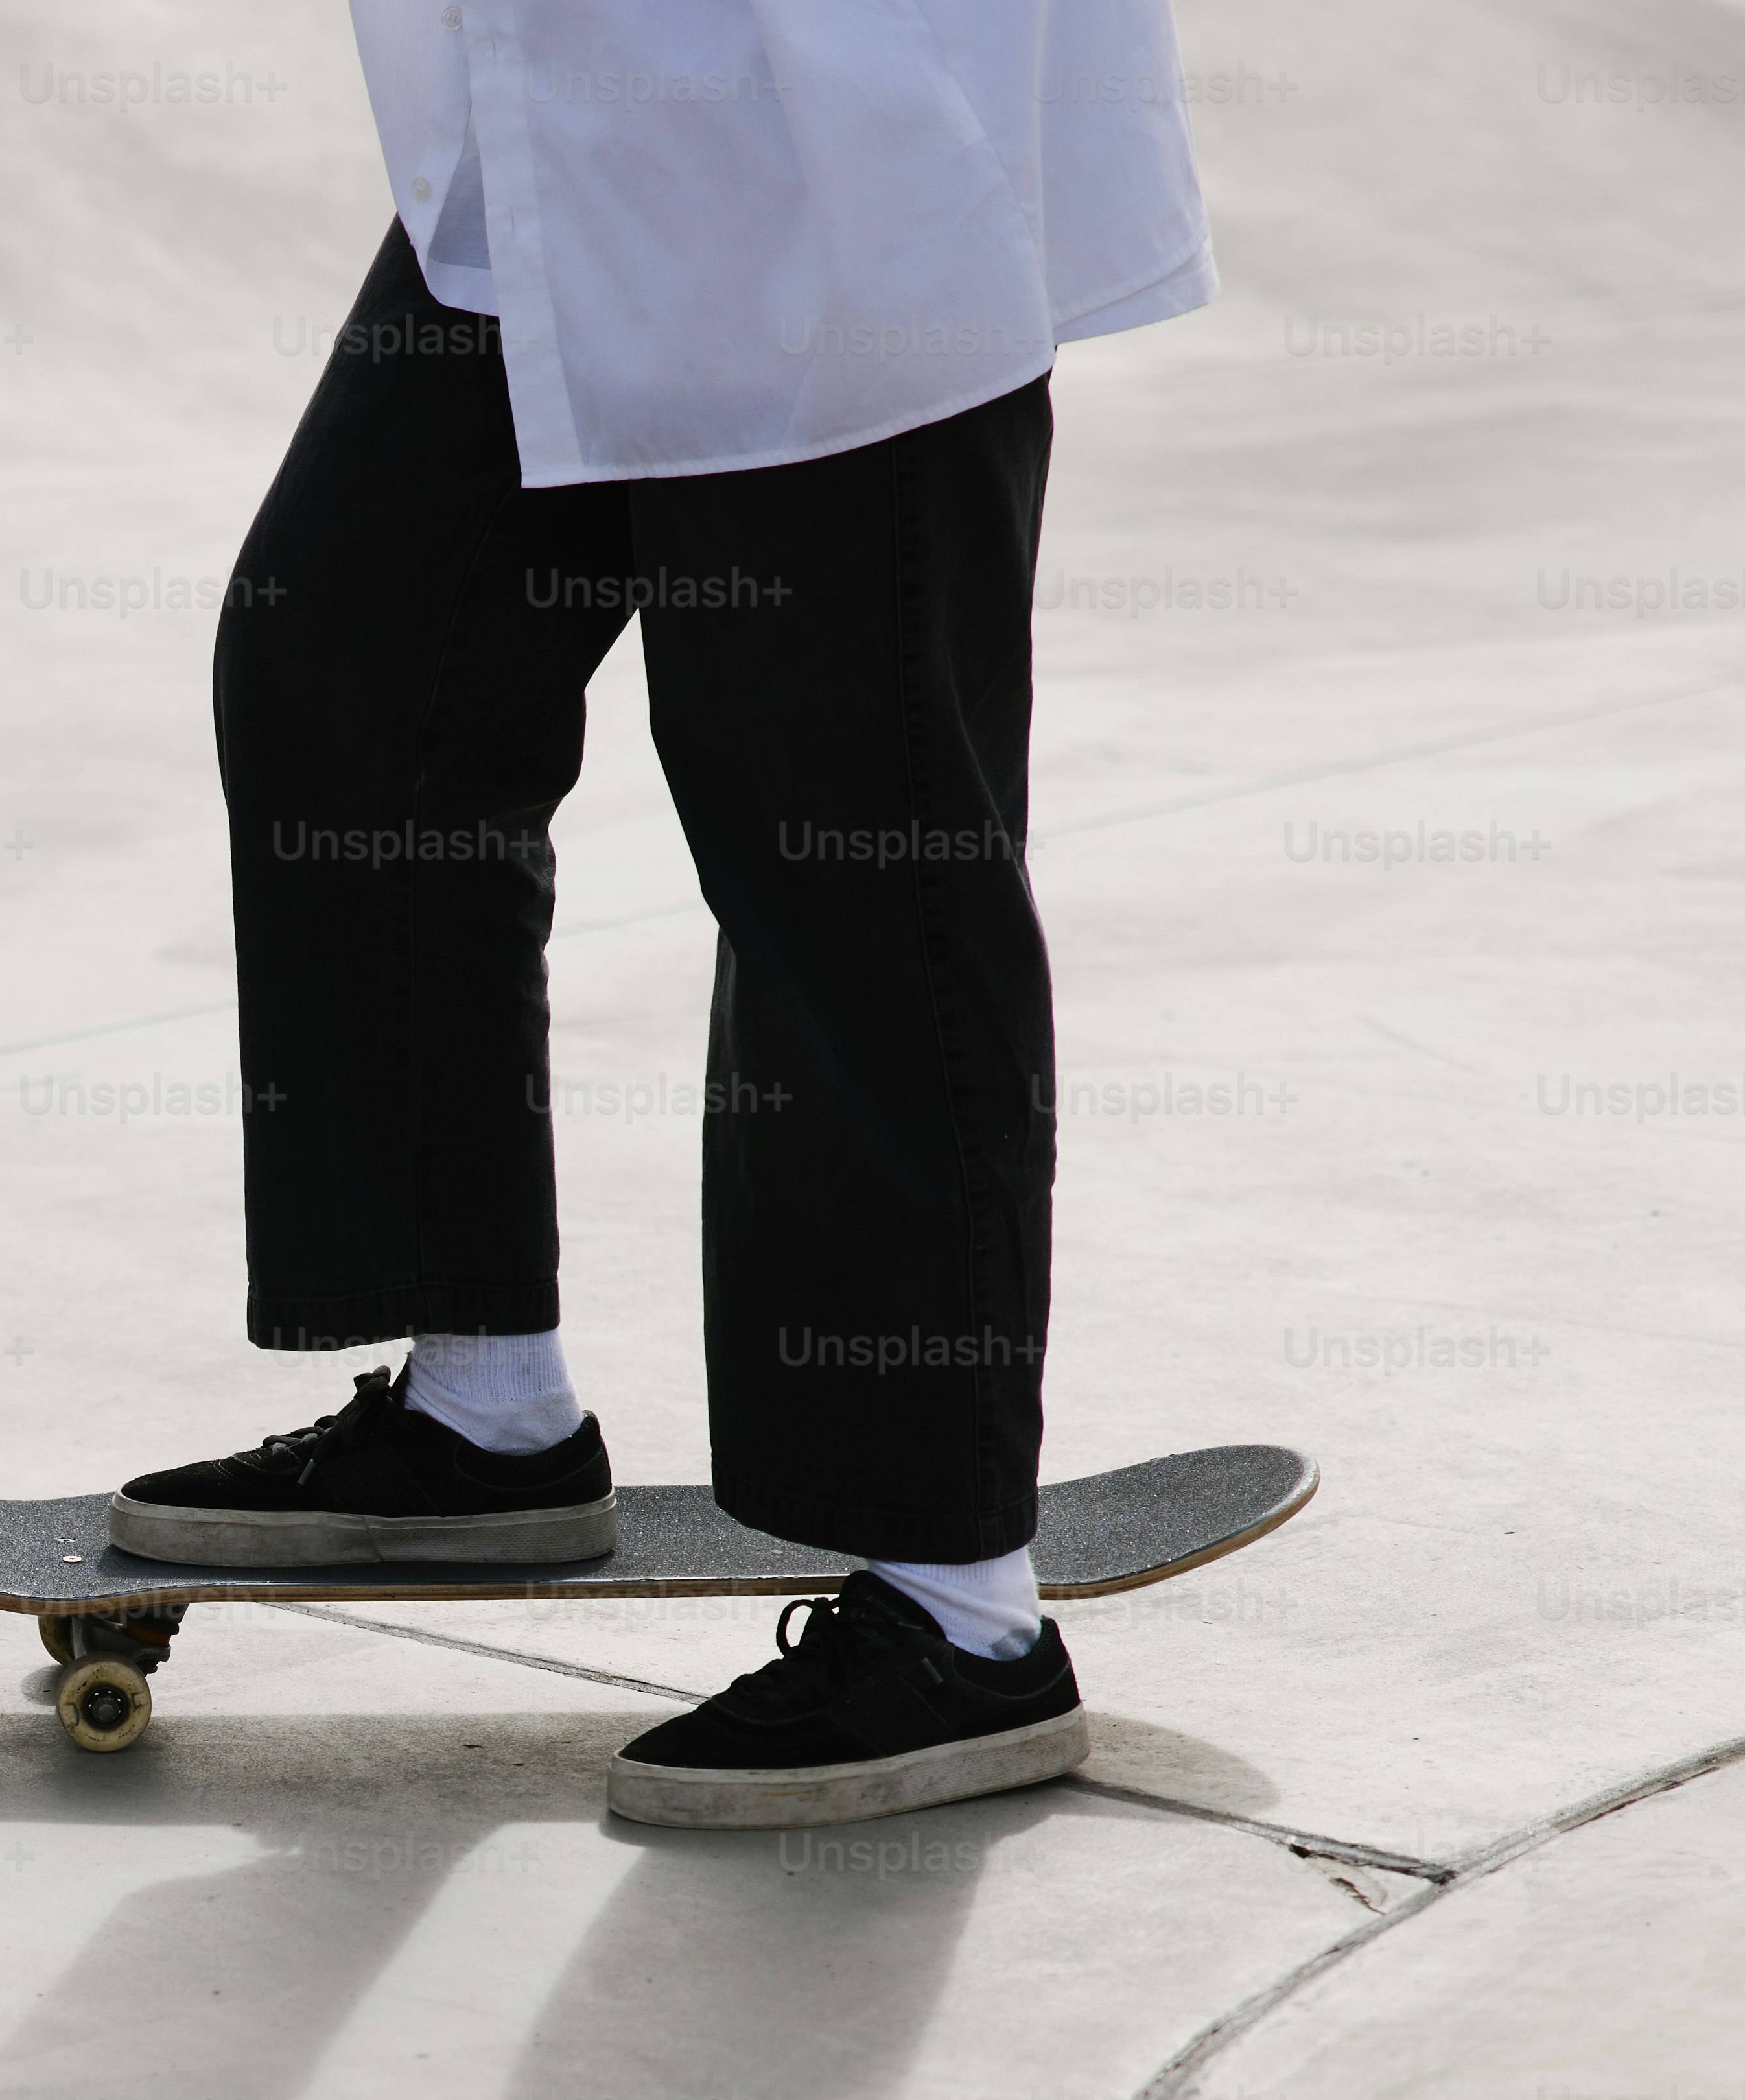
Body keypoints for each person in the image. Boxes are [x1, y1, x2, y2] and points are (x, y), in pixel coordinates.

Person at [115, 0, 1213, 1826]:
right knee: (355, 665)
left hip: (830, 143)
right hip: (560, 124)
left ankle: (960, 1611)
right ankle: (486, 1416)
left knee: (844, 822)